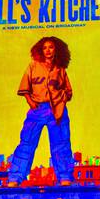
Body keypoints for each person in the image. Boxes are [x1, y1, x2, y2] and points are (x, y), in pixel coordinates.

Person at [7, 36, 74, 185]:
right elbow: (24, 88)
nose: (48, 50)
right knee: (27, 142)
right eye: (44, 47)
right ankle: (15, 178)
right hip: (37, 109)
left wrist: (60, 98)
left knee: (61, 144)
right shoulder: (33, 66)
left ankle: (65, 177)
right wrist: (31, 103)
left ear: (56, 49)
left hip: (57, 110)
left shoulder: (60, 69)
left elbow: (69, 92)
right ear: (40, 50)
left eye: (51, 47)